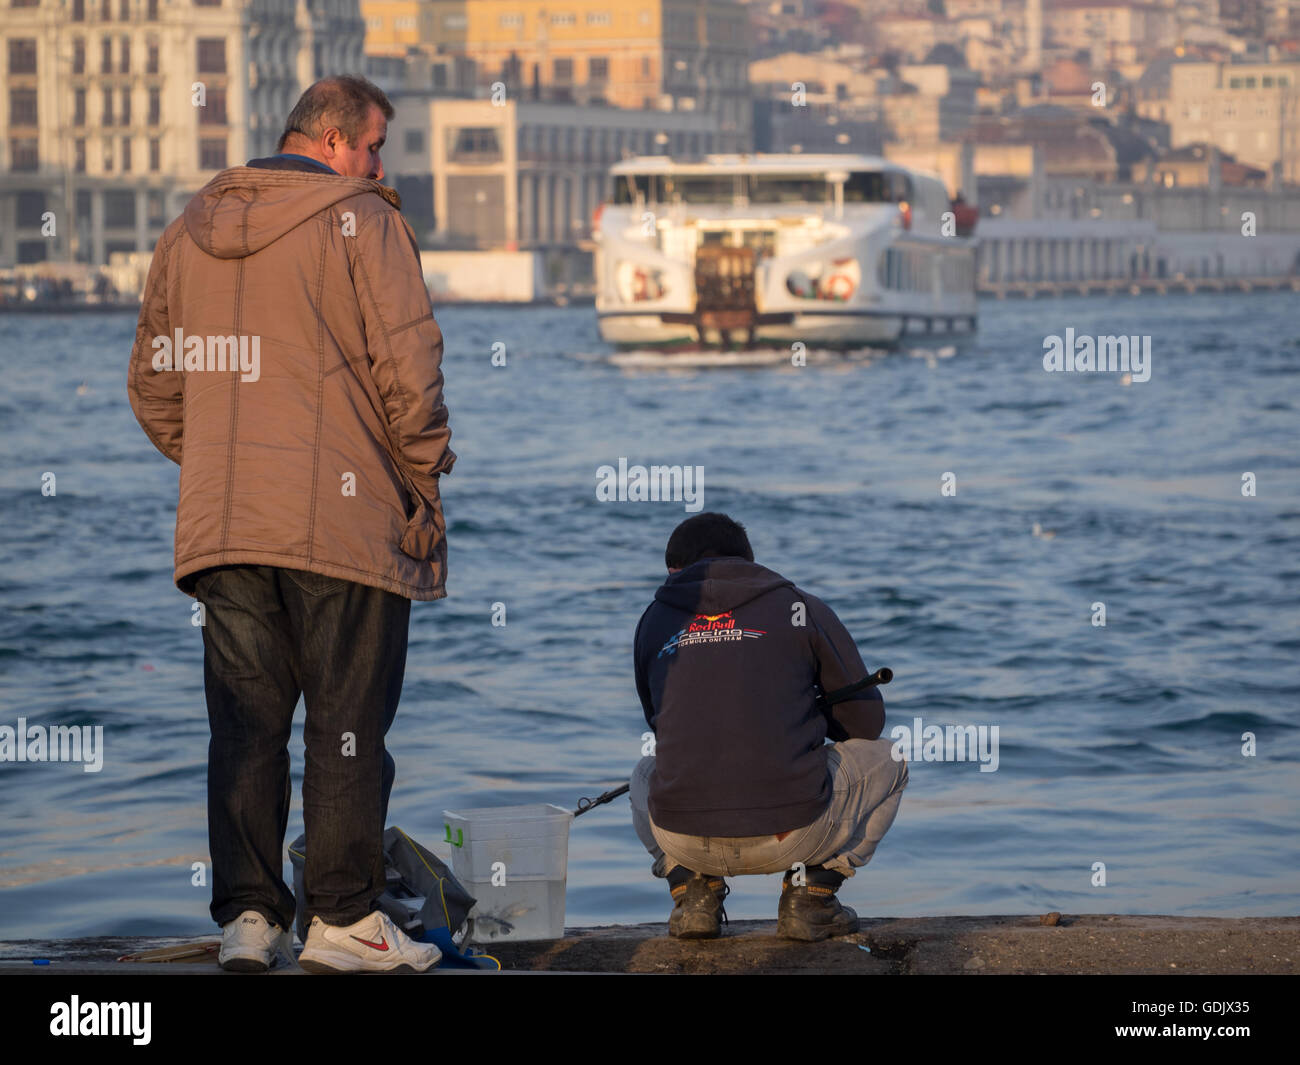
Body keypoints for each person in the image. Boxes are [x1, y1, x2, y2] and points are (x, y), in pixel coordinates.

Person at [126, 75, 454, 974]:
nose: (383, 164)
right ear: (335, 140)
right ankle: (345, 921)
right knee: (347, 722)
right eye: (377, 144)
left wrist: (223, 463)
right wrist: (420, 474)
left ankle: (250, 921)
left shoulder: (190, 224)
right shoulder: (362, 216)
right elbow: (410, 365)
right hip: (343, 523)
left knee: (244, 723)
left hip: (225, 526)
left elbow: (155, 379)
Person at [630, 513, 908, 941]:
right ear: (749, 562)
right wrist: (807, 716)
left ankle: (692, 891)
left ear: (674, 571)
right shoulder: (800, 607)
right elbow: (866, 724)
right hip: (796, 832)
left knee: (643, 772)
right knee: (891, 759)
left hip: (682, 837)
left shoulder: (653, 621)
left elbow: (660, 723)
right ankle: (811, 896)